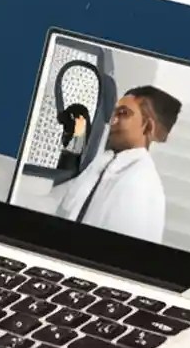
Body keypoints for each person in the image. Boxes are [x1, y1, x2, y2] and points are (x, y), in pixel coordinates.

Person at [54, 85, 182, 244]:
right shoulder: (105, 162)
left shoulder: (139, 184)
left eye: (123, 113)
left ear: (148, 127)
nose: (113, 120)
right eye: (114, 112)